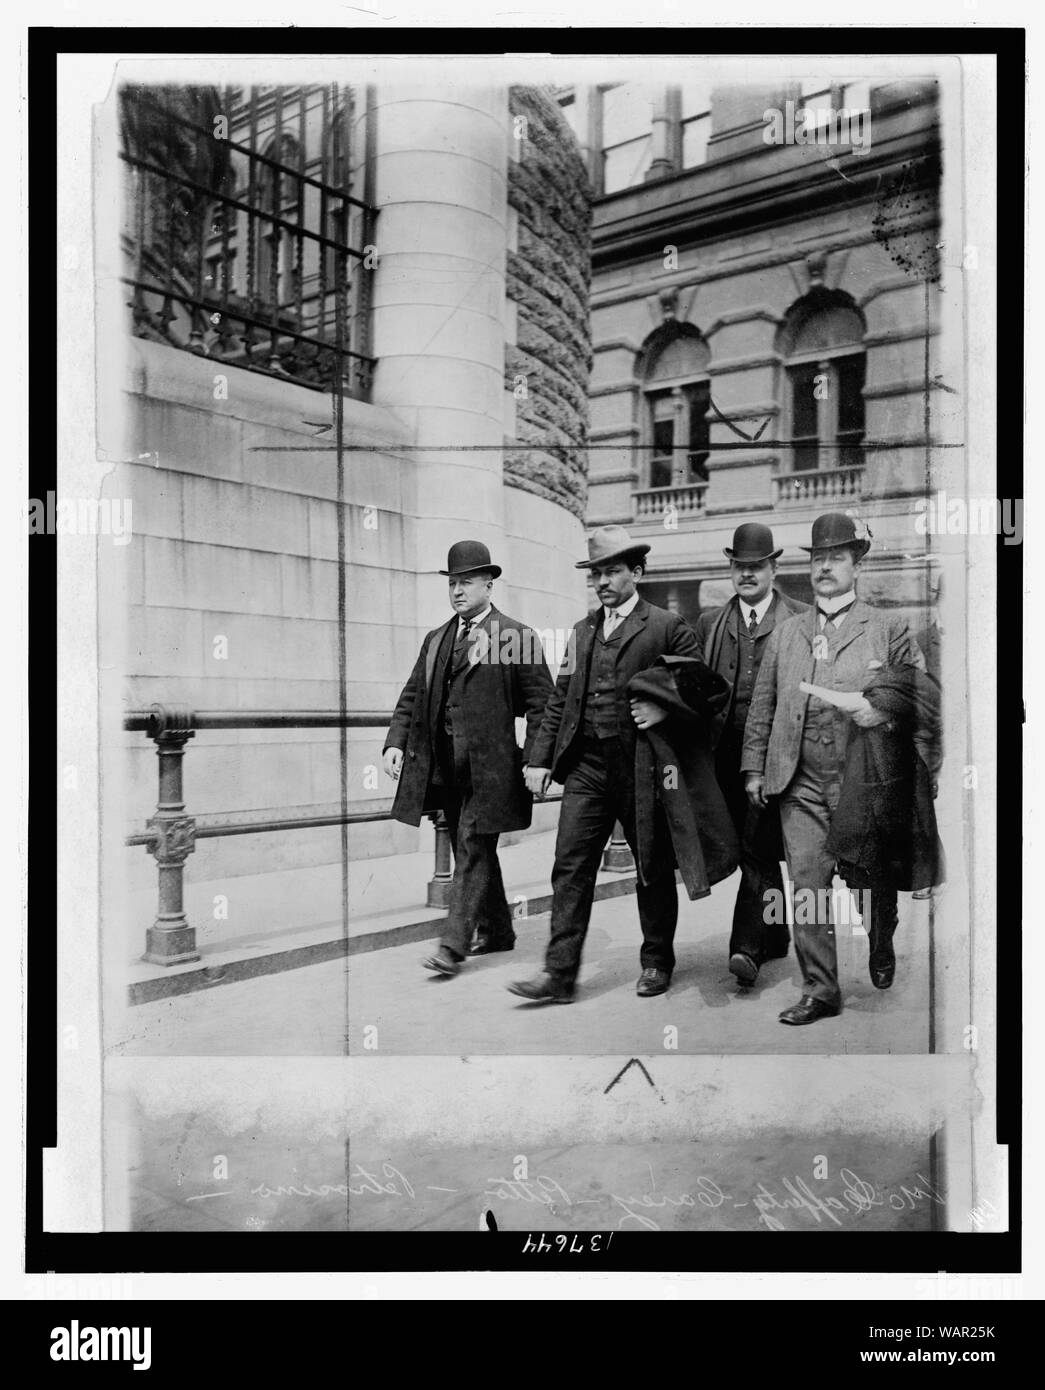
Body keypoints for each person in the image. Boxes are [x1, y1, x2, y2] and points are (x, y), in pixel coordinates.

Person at [507, 525, 724, 1004]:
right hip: (586, 765)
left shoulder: (666, 626)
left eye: (613, 571)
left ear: (637, 572)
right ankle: (559, 975)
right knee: (570, 865)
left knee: (651, 864)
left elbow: (706, 694)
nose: (603, 582)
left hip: (642, 765)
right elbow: (562, 698)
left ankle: (656, 962)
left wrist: (666, 708)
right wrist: (539, 759)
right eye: (597, 573)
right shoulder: (584, 631)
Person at [741, 512, 925, 1025]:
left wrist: (882, 709)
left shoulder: (887, 628)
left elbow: (919, 694)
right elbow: (763, 705)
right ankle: (820, 990)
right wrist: (755, 768)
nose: (825, 567)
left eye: (836, 558)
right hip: (799, 782)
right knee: (807, 887)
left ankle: (881, 932)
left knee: (868, 885)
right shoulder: (786, 633)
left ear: (856, 566)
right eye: (818, 558)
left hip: (861, 785)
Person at [383, 540, 553, 976]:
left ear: (489, 585)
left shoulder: (516, 636)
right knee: (472, 852)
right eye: (453, 583)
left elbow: (543, 705)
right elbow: (412, 696)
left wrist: (537, 760)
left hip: (492, 772)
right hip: (444, 768)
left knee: (473, 848)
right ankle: (498, 931)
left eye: (467, 582)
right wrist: (395, 743)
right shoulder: (437, 639)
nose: (458, 591)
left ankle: (452, 946)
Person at [695, 522, 809, 986]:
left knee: (757, 849)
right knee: (752, 849)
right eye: (739, 566)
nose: (747, 574)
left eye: (756, 566)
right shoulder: (710, 623)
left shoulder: (799, 620)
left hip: (777, 757)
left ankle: (746, 947)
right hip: (723, 757)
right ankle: (777, 935)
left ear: (774, 568)